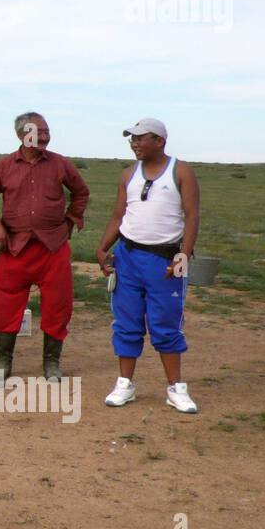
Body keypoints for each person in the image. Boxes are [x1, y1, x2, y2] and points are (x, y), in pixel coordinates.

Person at [96, 118, 201, 413]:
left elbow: (192, 217)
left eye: (142, 138)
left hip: (164, 260)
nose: (135, 143)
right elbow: (119, 215)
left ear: (160, 141)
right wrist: (103, 247)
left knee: (165, 323)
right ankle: (125, 384)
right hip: (127, 256)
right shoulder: (129, 174)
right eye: (132, 138)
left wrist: (184, 254)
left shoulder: (180, 171)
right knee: (126, 321)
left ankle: (175, 388)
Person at [0, 112, 89, 382]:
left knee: (58, 304)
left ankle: (51, 363)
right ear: (21, 135)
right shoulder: (4, 166)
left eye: (47, 131)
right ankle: (3, 362)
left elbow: (81, 192)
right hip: (15, 246)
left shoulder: (61, 164)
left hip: (53, 247)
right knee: (3, 304)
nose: (44, 136)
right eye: (37, 131)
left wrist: (71, 219)